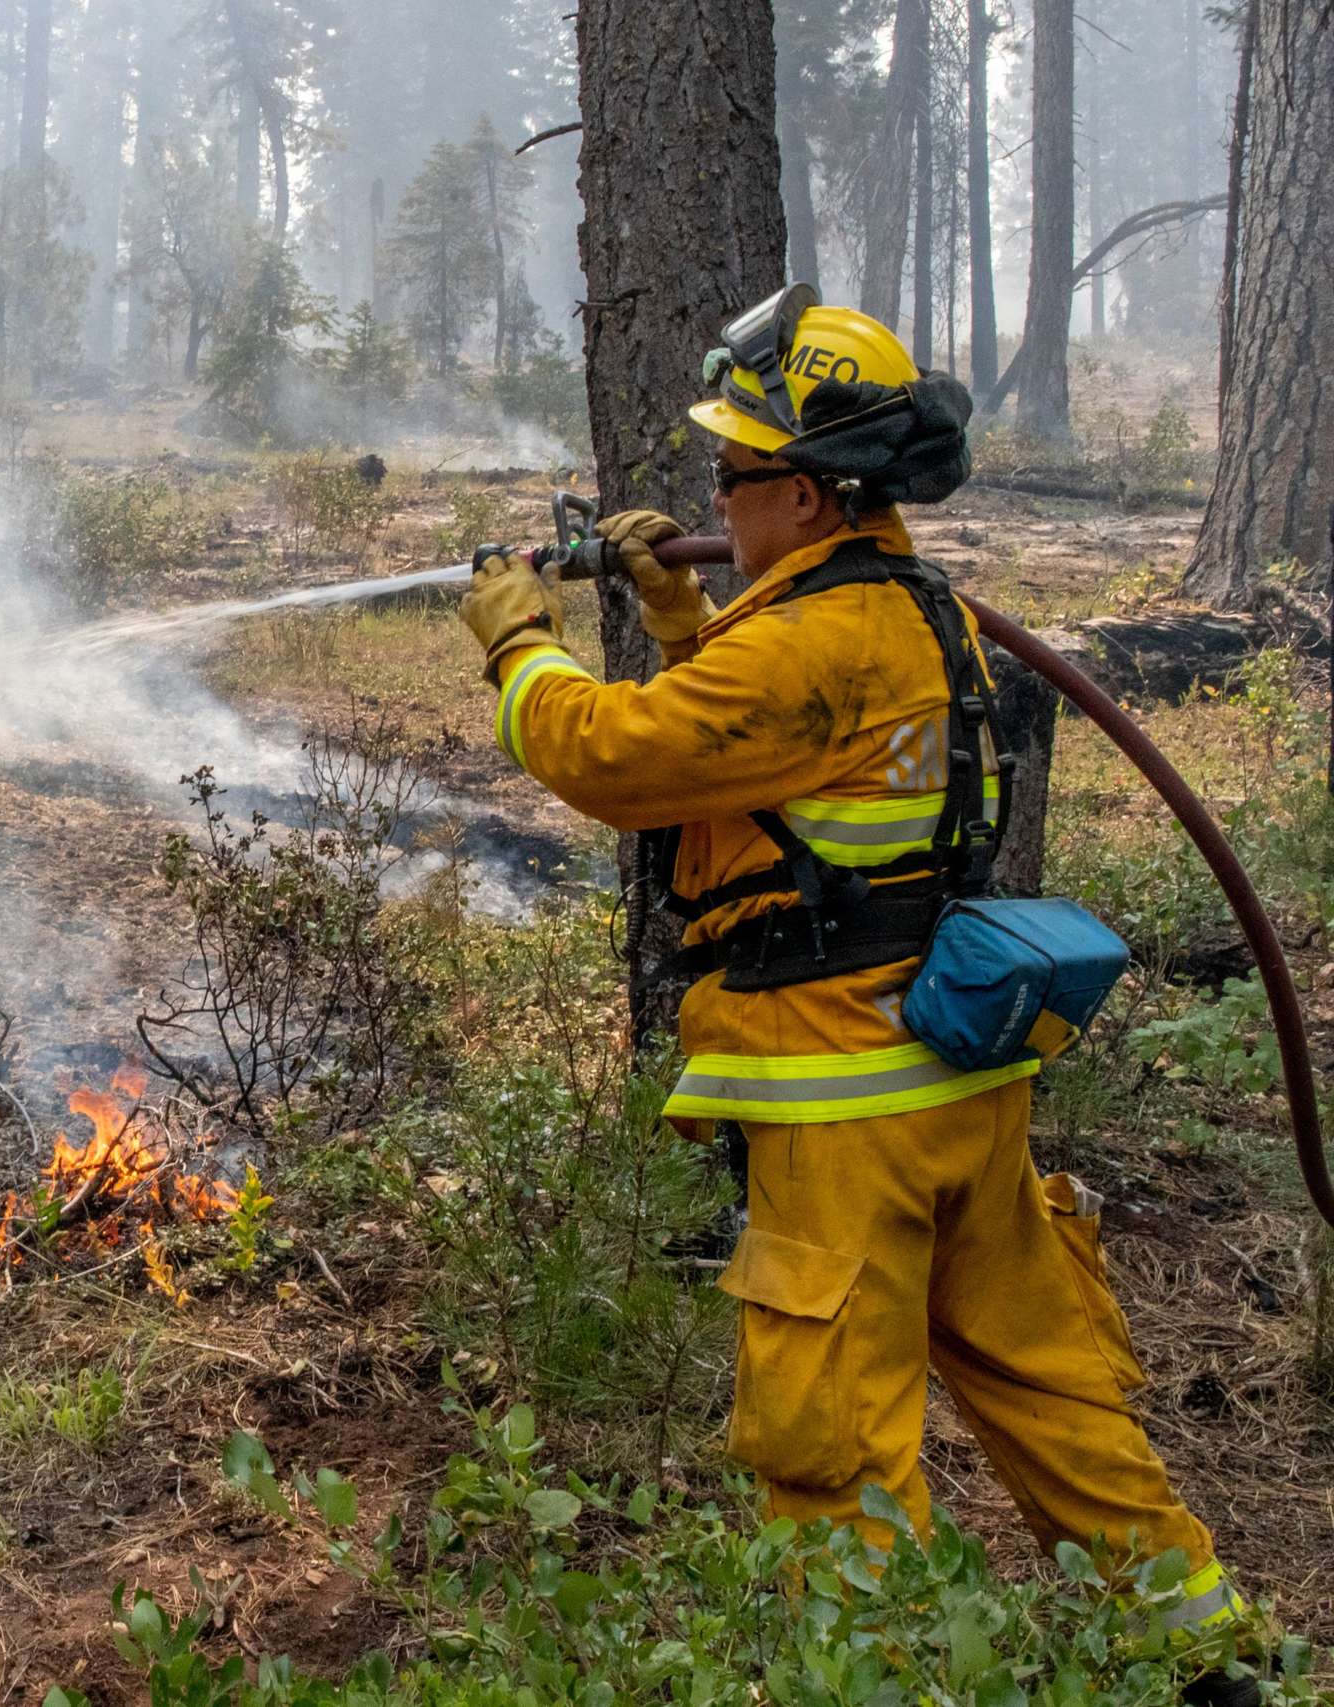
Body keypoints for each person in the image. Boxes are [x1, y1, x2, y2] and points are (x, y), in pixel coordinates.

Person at [457, 287, 1254, 1702]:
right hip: (960, 1089)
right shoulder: (905, 612)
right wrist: (683, 608)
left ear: (813, 498)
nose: (719, 492)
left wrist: (522, 644)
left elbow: (622, 758)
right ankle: (1204, 1657)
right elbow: (790, 776)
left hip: (845, 1111)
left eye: (736, 474)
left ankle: (868, 1679)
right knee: (1050, 1385)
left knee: (833, 1448)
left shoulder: (814, 644)